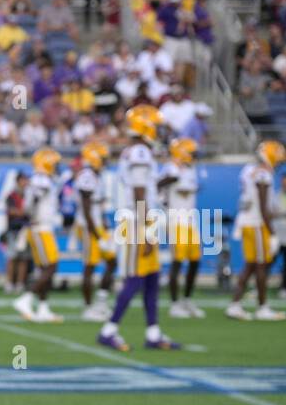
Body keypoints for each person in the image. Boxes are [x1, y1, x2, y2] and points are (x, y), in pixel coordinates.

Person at [97, 105, 180, 351]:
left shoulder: (135, 152)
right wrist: (146, 231)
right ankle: (108, 330)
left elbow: (146, 187)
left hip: (141, 219)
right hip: (137, 221)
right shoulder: (140, 152)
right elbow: (139, 192)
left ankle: (153, 333)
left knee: (152, 277)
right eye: (154, 125)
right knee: (135, 278)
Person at [227, 141, 286, 321]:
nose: (278, 162)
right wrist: (273, 232)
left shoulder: (248, 170)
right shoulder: (263, 174)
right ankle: (262, 307)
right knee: (261, 266)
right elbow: (262, 206)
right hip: (257, 223)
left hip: (246, 222)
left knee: (251, 265)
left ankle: (235, 305)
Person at [13, 148, 64, 323]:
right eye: (54, 163)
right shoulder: (41, 178)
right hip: (40, 228)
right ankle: (26, 299)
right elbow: (34, 200)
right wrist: (32, 218)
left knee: (45, 269)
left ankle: (43, 308)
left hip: (40, 228)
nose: (57, 166)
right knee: (51, 267)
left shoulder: (41, 178)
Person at [75, 140, 116, 321]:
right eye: (103, 157)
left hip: (97, 225)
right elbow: (86, 209)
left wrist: (104, 225)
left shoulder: (96, 175)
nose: (106, 161)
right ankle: (88, 307)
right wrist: (96, 233)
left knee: (112, 261)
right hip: (88, 226)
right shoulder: (87, 175)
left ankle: (100, 302)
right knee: (90, 267)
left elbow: (97, 206)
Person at [163, 138, 204, 318]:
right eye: (191, 153)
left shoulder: (190, 169)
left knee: (195, 261)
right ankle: (174, 303)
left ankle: (186, 300)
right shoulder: (171, 167)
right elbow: (162, 183)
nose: (194, 157)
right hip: (176, 219)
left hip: (189, 220)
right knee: (177, 262)